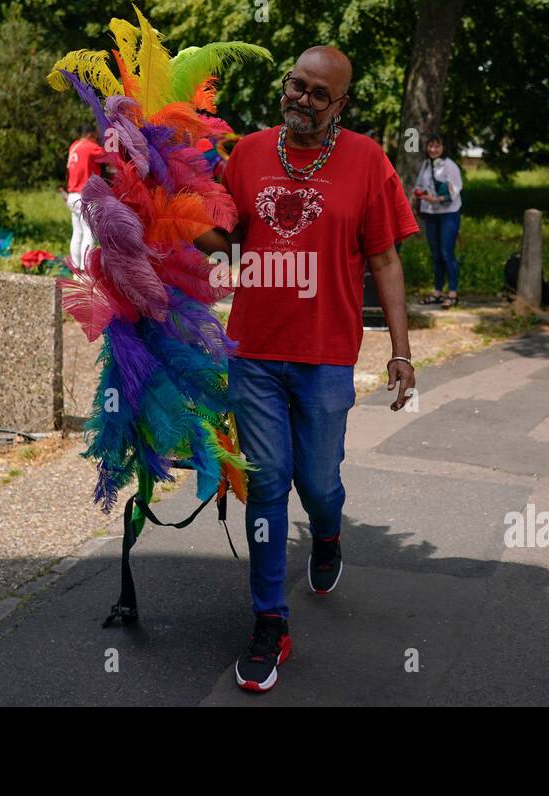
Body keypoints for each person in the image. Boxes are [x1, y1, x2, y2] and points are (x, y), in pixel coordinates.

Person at [194, 46, 419, 694]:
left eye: (320, 93)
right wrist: (172, 214)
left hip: (324, 357)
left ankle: (327, 533)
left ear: (340, 104)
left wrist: (399, 351)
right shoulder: (249, 154)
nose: (304, 99)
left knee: (318, 484)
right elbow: (229, 247)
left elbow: (385, 262)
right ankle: (270, 622)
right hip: (255, 353)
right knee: (266, 486)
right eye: (298, 85)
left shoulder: (367, 162)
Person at [413, 133, 463, 308]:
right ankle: (437, 291)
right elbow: (418, 185)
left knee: (447, 253)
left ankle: (453, 292)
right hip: (430, 213)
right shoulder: (426, 165)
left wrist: (438, 199)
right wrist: (421, 194)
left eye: (437, 146)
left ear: (443, 147)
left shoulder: (450, 166)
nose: (433, 150)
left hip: (448, 213)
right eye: (430, 146)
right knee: (435, 255)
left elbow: (455, 189)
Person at [65, 131, 104, 267]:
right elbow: (108, 155)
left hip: (72, 195)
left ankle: (76, 269)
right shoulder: (89, 146)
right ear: (90, 135)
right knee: (89, 233)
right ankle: (86, 270)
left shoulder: (74, 145)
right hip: (85, 195)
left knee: (77, 232)